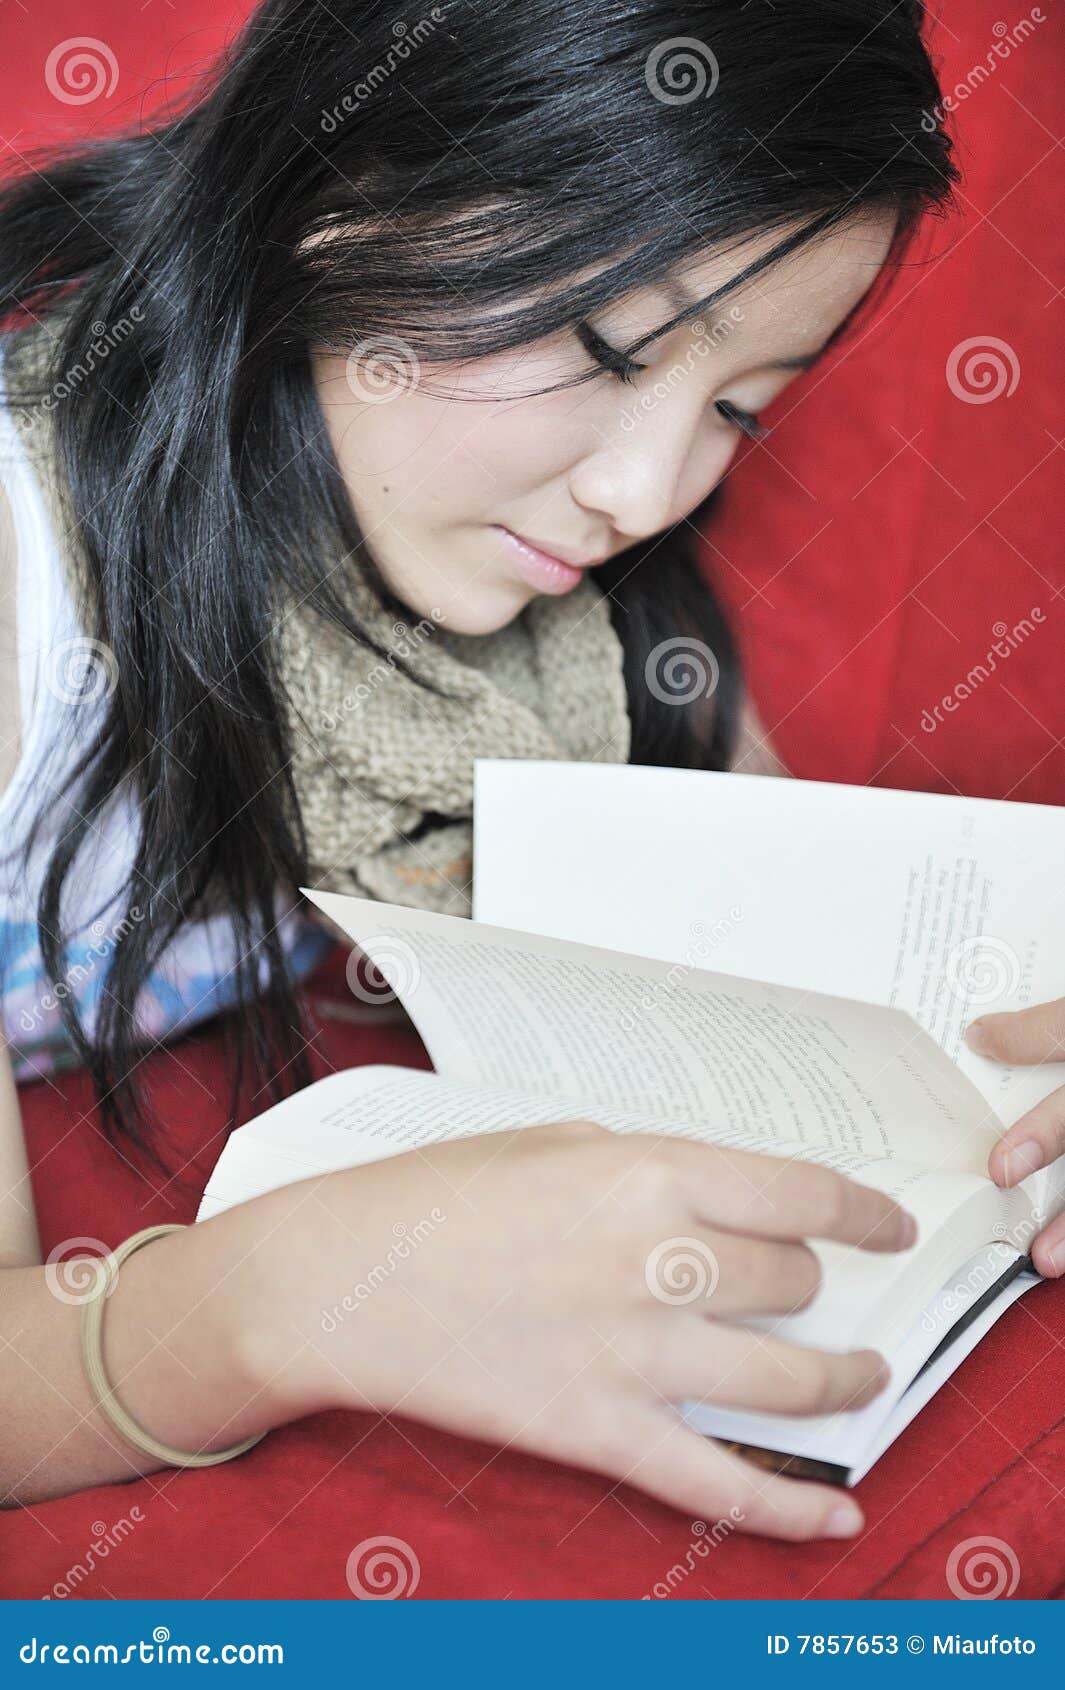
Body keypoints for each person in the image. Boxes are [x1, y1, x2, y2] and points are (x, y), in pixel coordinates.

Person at [0, 0, 993, 1536]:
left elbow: (826, 966)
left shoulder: (561, 637)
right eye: (609, 348)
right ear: (338, 193)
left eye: (738, 408)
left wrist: (1003, 1078)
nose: (644, 493)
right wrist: (287, 1295)